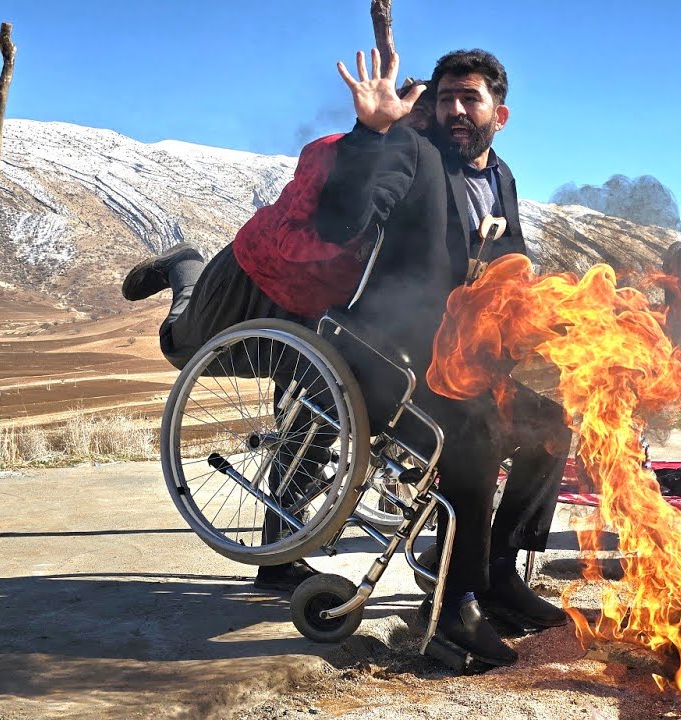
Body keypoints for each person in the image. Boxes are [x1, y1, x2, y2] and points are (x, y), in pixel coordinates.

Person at [120, 47, 433, 593]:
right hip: (257, 275)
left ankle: (280, 552)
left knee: (315, 413)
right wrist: (358, 228)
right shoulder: (332, 153)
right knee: (182, 346)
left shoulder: (427, 190)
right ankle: (184, 266)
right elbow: (293, 237)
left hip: (323, 310)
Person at [323, 47, 572, 670]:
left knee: (552, 426)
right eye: (444, 100)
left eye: (470, 99)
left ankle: (495, 574)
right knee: (474, 435)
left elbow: (508, 265)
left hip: (460, 361)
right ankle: (452, 609)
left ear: (501, 113)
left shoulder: (502, 176)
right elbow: (341, 221)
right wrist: (368, 132)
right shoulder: (412, 154)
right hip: (386, 356)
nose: (455, 111)